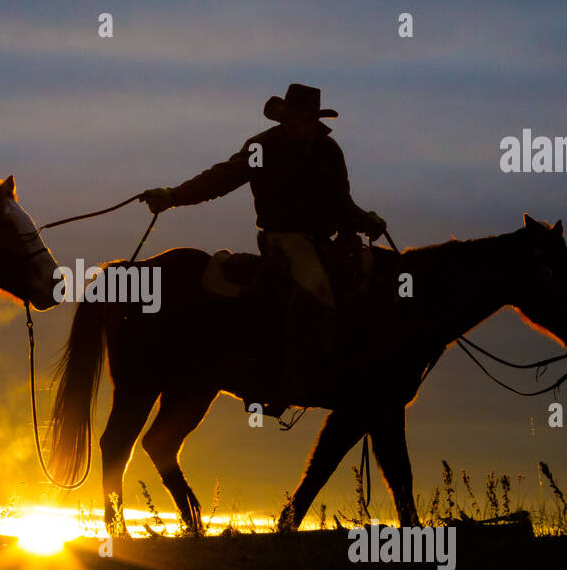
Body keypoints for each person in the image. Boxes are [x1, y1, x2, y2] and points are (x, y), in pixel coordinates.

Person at [141, 83, 385, 405]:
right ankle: (295, 375)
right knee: (316, 286)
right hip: (284, 238)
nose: (297, 124)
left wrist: (364, 220)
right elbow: (222, 178)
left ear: (313, 119)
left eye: (304, 118)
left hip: (323, 240)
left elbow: (341, 202)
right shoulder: (263, 147)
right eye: (293, 118)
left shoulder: (330, 151)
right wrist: (173, 196)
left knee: (373, 279)